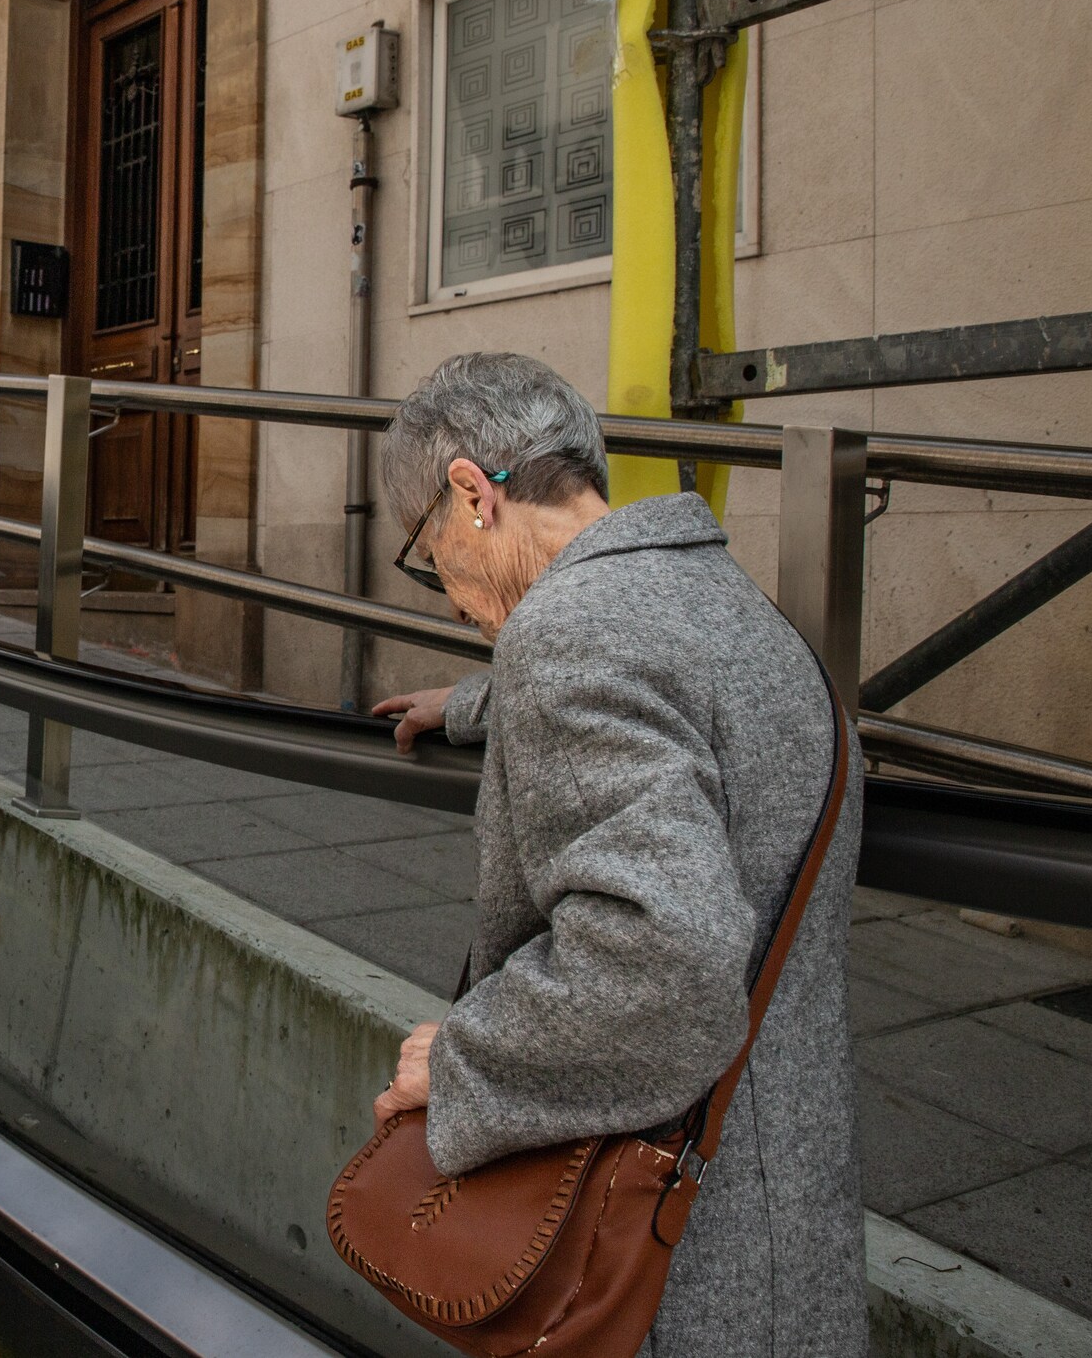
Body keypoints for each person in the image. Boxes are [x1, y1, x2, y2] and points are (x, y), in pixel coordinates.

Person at [365, 352, 863, 1354]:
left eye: (425, 554)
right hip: (785, 1208)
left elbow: (658, 966)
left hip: (664, 1262)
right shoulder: (725, 602)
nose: (447, 598)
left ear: (472, 494)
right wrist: (478, 703)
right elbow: (684, 710)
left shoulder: (567, 637)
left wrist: (463, 1064)